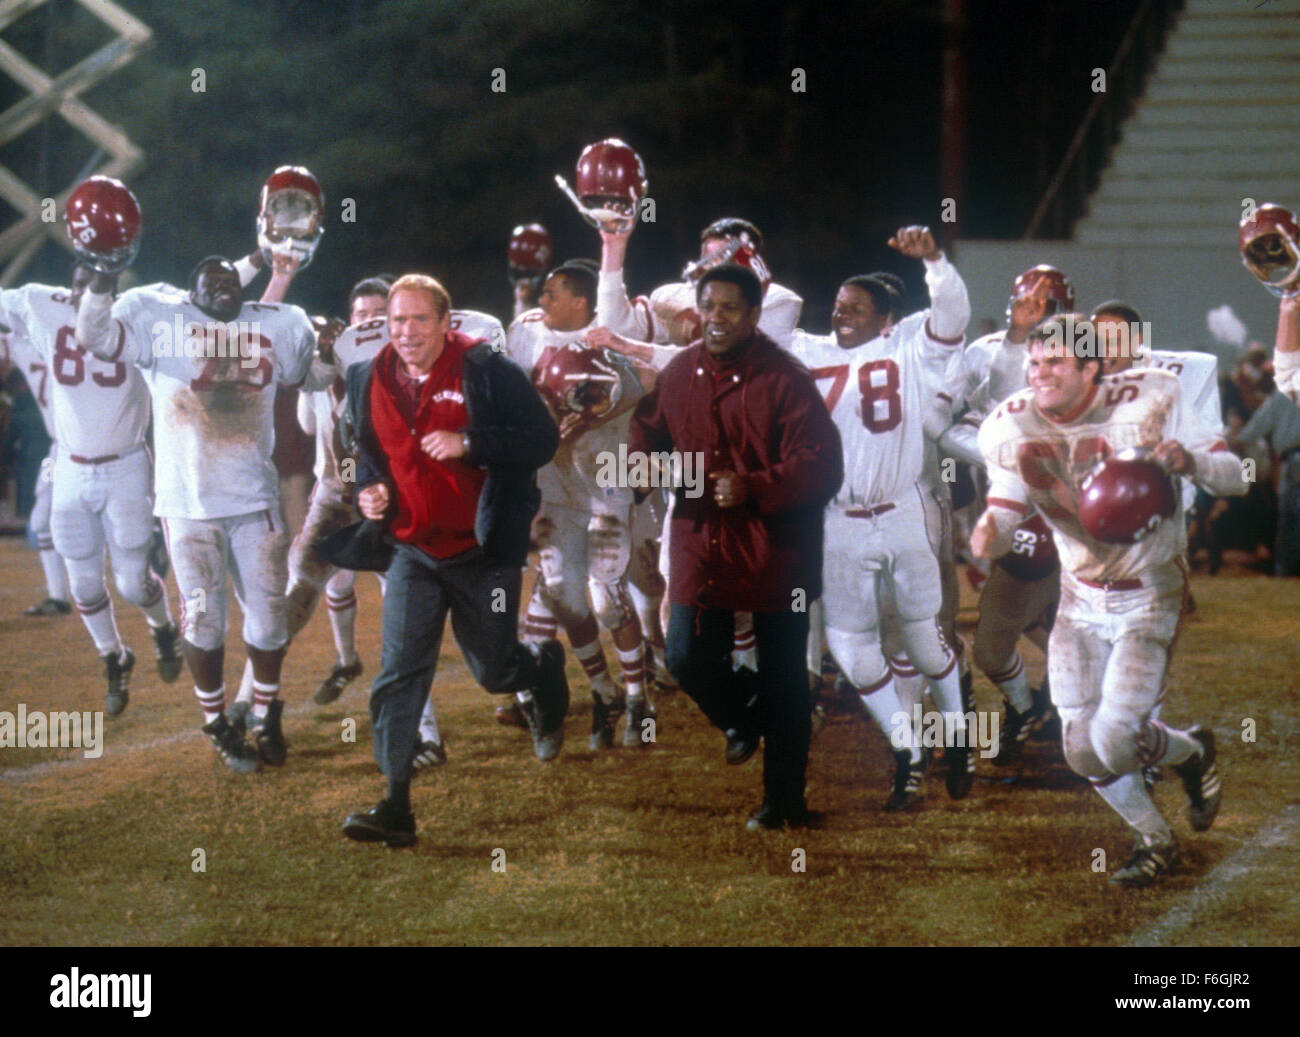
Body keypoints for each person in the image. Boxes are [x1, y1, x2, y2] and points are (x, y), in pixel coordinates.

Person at [971, 314, 1243, 887]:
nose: (1040, 374)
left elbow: (1237, 476)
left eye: (1056, 363)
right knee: (1080, 750)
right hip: (1078, 598)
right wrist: (989, 532)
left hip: (1149, 593)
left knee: (1116, 739)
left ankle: (1190, 753)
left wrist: (1190, 460)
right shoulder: (1007, 424)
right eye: (1036, 362)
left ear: (1091, 367)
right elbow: (1004, 505)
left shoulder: (1152, 396)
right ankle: (1157, 835)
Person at [326, 273, 568, 847]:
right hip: (413, 550)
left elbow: (542, 440)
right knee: (399, 672)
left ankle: (541, 670)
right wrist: (370, 491)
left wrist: (472, 443)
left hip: (483, 553)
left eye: (418, 320)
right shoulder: (366, 378)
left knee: (493, 670)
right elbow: (369, 456)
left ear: (444, 321)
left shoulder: (485, 369)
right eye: (396, 320)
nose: (406, 332)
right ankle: (395, 805)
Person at [77, 255, 332, 772]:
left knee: (268, 620)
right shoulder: (160, 318)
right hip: (189, 510)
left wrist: (329, 351)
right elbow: (97, 337)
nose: (221, 289)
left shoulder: (274, 323)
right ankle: (216, 721)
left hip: (254, 504)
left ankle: (264, 710)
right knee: (203, 621)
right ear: (191, 291)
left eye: (228, 281)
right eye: (209, 282)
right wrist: (103, 279)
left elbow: (314, 378)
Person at [629, 264, 843, 830]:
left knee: (785, 674)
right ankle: (744, 716)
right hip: (701, 540)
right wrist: (639, 466)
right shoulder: (679, 372)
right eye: (709, 306)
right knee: (684, 656)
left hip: (779, 548)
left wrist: (757, 486)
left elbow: (823, 466)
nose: (716, 318)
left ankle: (785, 802)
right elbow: (645, 434)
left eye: (729, 308)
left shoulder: (786, 379)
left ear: (753, 315)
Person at [788, 227, 973, 810]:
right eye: (839, 307)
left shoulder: (907, 346)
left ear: (887, 318)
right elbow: (763, 325)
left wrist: (936, 262)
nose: (843, 315)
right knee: (848, 644)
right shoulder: (809, 352)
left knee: (921, 635)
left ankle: (960, 734)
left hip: (901, 506)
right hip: (837, 519)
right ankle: (907, 749)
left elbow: (950, 313)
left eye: (857, 308)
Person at [0, 263, 182, 713]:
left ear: (112, 288)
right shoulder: (45, 305)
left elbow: (199, 298)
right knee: (82, 583)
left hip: (125, 466)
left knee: (133, 584)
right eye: (77, 284)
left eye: (94, 284)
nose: (84, 293)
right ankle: (115, 657)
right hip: (68, 467)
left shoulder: (138, 312)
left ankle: (164, 628)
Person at [506, 259, 655, 748]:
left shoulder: (608, 332)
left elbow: (646, 383)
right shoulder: (526, 333)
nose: (541, 301)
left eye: (553, 294)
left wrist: (590, 417)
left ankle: (639, 697)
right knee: (563, 596)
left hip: (603, 481)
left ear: (581, 302)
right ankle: (603, 692)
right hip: (554, 483)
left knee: (606, 600)